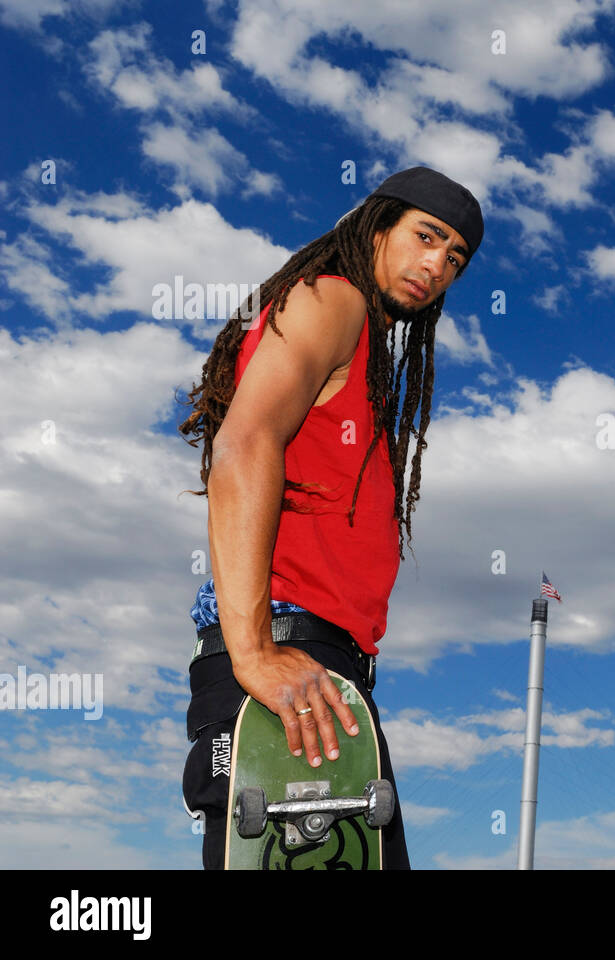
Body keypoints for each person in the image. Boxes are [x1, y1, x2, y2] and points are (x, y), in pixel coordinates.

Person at [176, 167, 485, 869]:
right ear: (377, 229)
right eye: (426, 237)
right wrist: (254, 652)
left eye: (456, 258)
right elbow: (244, 446)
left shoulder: (367, 347)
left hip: (325, 669)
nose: (437, 265)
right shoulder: (334, 299)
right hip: (287, 655)